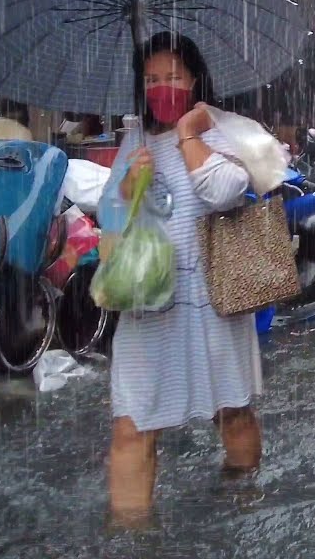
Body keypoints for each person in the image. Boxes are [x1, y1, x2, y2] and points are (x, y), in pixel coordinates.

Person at [100, 32, 262, 527]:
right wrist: (129, 186)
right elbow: (108, 215)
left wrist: (189, 136)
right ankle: (130, 537)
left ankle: (245, 505)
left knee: (230, 409)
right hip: (150, 298)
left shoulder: (222, 130)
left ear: (194, 79)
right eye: (151, 79)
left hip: (212, 295)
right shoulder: (136, 140)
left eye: (172, 76)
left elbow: (226, 193)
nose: (162, 87)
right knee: (132, 424)